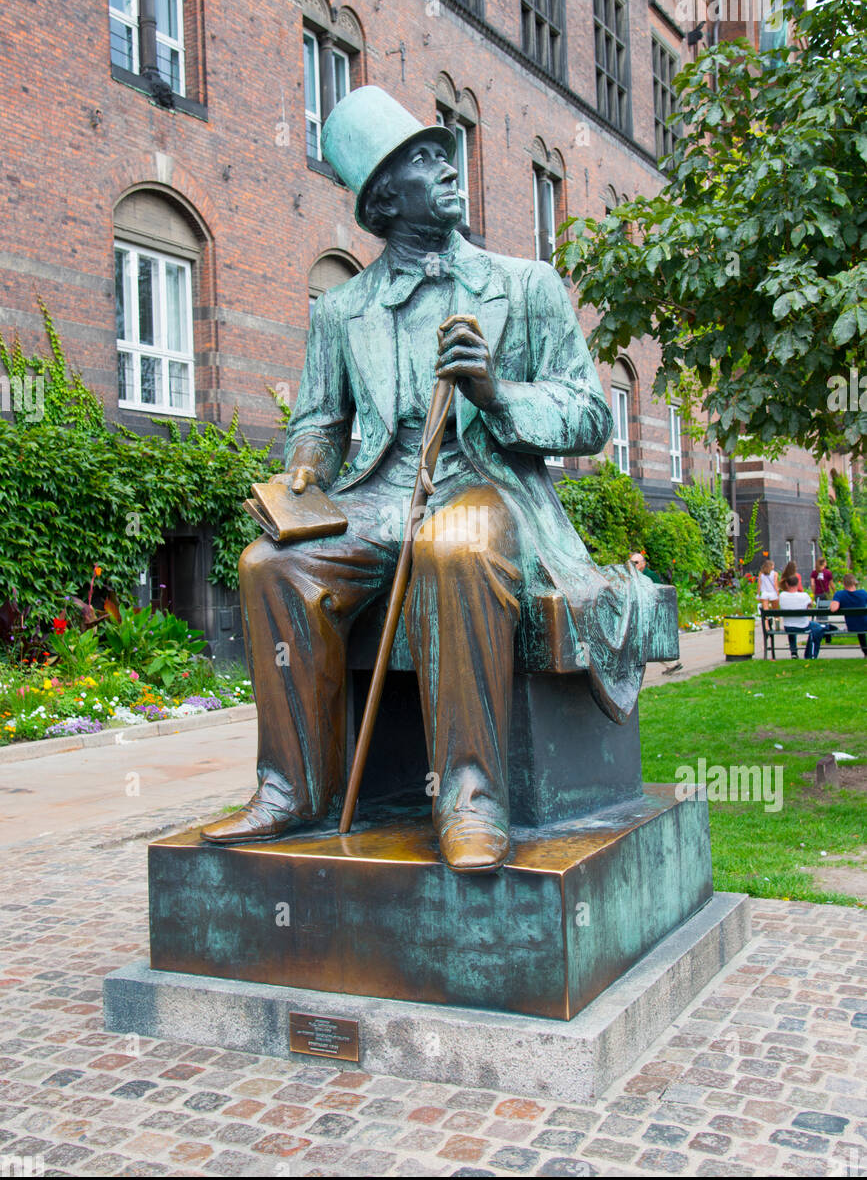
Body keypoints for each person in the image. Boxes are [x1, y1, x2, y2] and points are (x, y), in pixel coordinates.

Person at [200, 86, 668, 873]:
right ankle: (294, 791)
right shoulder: (340, 309)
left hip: (486, 490)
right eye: (423, 160)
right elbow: (317, 418)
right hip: (376, 499)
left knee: (455, 545)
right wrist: (306, 469)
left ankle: (469, 798)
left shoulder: (524, 286)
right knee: (269, 564)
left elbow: (590, 415)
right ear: (383, 198)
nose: (448, 169)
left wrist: (495, 393)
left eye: (444, 155)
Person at [778, 574, 813, 658]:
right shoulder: (804, 595)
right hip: (803, 626)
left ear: (787, 584)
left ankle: (793, 651)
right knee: (816, 627)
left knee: (791, 624)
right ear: (798, 584)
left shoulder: (782, 595)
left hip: (788, 626)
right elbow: (810, 606)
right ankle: (809, 653)